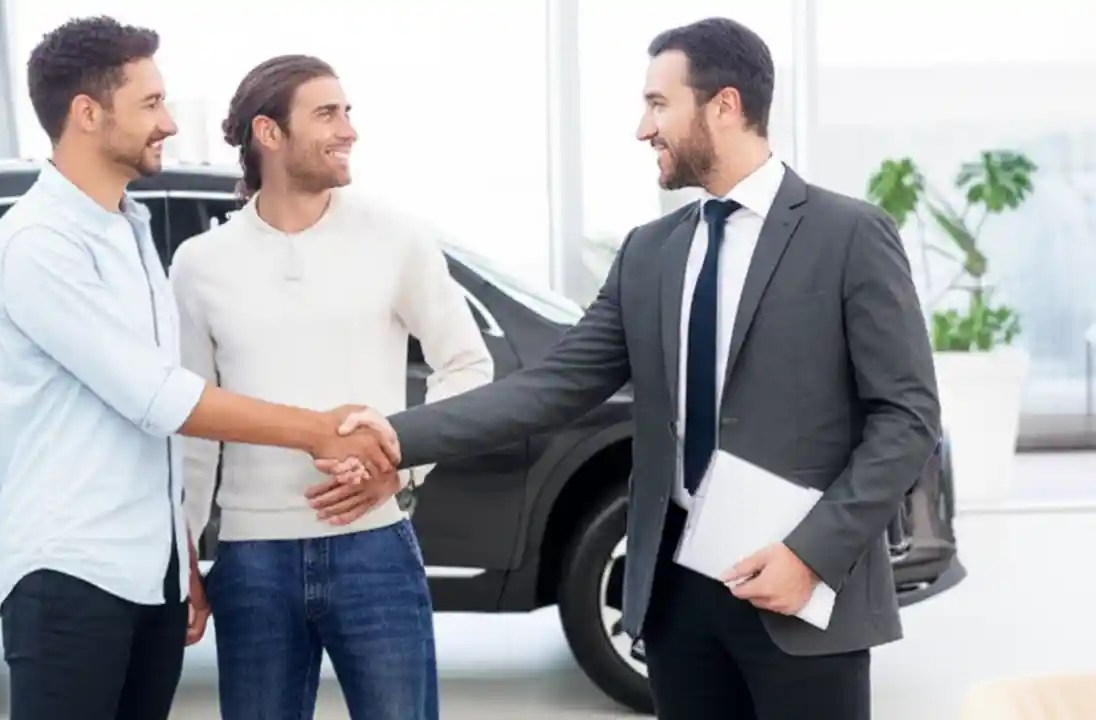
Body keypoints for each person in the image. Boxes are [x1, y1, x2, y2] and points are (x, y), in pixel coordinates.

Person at [324, 17, 941, 720]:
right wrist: (397, 436)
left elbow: (908, 417)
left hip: (797, 588)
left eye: (657, 103)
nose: (642, 129)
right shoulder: (650, 252)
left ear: (725, 105)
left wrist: (811, 553)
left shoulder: (850, 235)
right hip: (675, 595)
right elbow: (553, 386)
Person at [0, 18, 394, 720]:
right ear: (88, 114)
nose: (169, 122)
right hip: (71, 577)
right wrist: (318, 432)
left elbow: (158, 441)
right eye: (150, 104)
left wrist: (180, 565)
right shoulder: (37, 242)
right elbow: (156, 396)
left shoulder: (128, 228)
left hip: (148, 579)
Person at [169, 54, 493, 720]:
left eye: (348, 112)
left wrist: (401, 468)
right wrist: (184, 557)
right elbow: (194, 422)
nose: (349, 129)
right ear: (269, 132)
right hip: (251, 560)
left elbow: (467, 365)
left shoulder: (397, 237)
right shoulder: (201, 264)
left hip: (375, 545)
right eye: (328, 113)